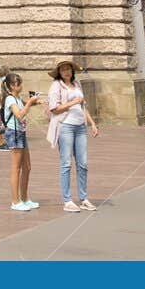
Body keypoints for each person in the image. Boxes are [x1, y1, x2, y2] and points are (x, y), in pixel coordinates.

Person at [47, 60, 99, 212]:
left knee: (83, 164)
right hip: (65, 126)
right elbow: (54, 109)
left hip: (80, 126)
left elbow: (83, 106)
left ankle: (83, 198)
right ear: (59, 72)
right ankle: (67, 200)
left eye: (68, 69)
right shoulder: (56, 86)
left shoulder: (76, 84)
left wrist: (92, 123)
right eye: (63, 69)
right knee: (66, 163)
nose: (66, 71)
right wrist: (73, 102)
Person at [0, 71, 41, 210]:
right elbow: (19, 115)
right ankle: (15, 201)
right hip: (14, 133)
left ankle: (24, 198)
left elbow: (25, 104)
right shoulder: (10, 99)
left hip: (21, 132)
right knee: (16, 168)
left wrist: (36, 101)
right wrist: (30, 102)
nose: (21, 86)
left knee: (27, 167)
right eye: (19, 84)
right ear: (12, 86)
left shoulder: (17, 98)